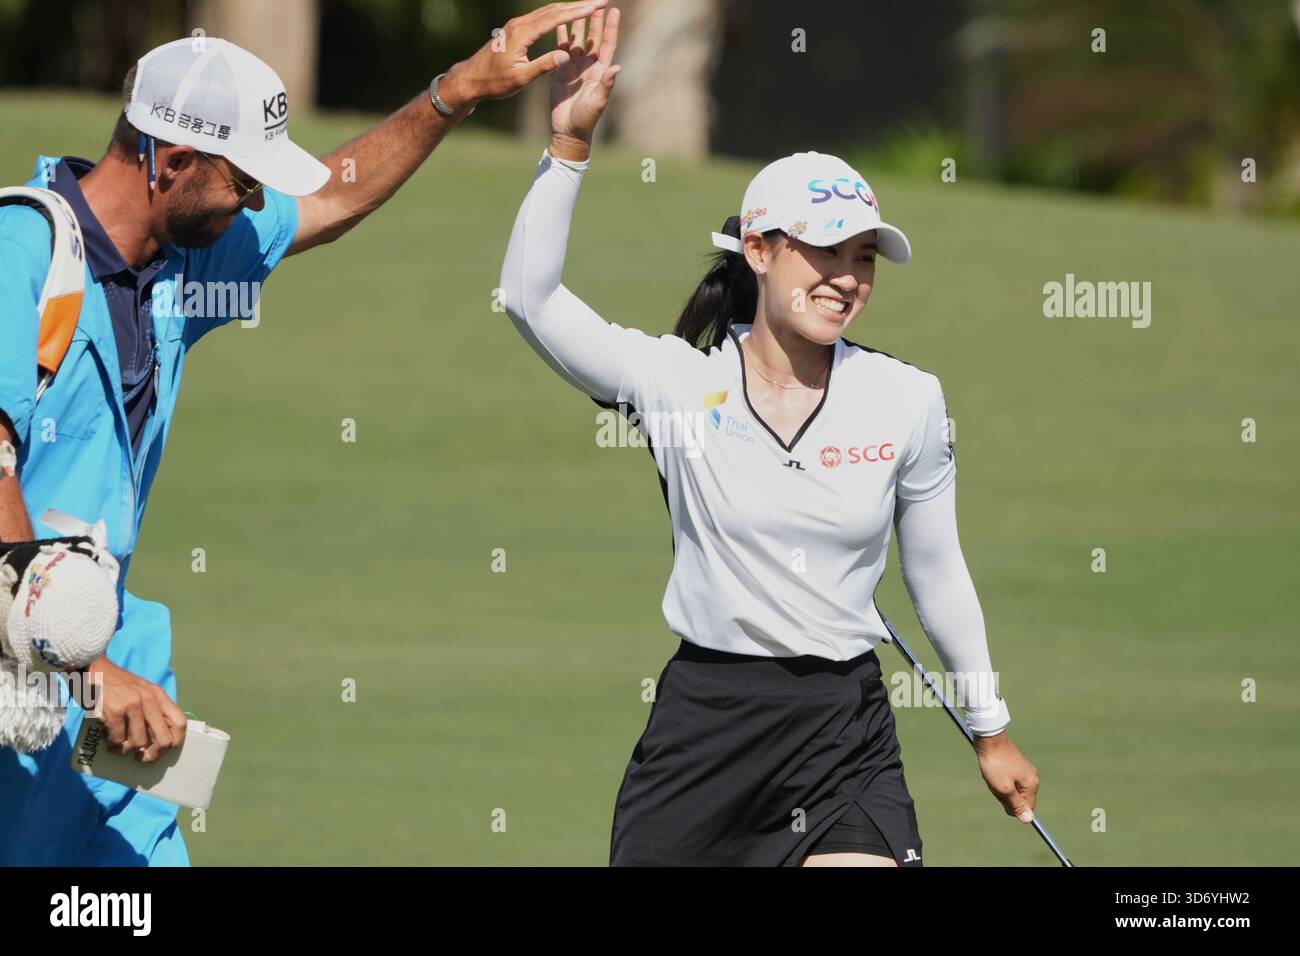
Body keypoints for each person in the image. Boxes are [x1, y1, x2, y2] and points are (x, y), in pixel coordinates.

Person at [0, 0, 611, 866]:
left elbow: (333, 194)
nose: (254, 201)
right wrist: (67, 662)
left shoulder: (180, 258)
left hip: (107, 671)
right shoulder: (19, 250)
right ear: (171, 162)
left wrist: (460, 88)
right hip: (30, 664)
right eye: (243, 181)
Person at [499, 9, 1042, 865]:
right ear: (758, 250)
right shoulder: (677, 380)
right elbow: (532, 302)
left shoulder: (907, 399)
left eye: (863, 256)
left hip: (843, 733)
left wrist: (990, 728)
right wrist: (568, 144)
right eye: (825, 252)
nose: (846, 279)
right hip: (706, 731)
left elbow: (935, 571)